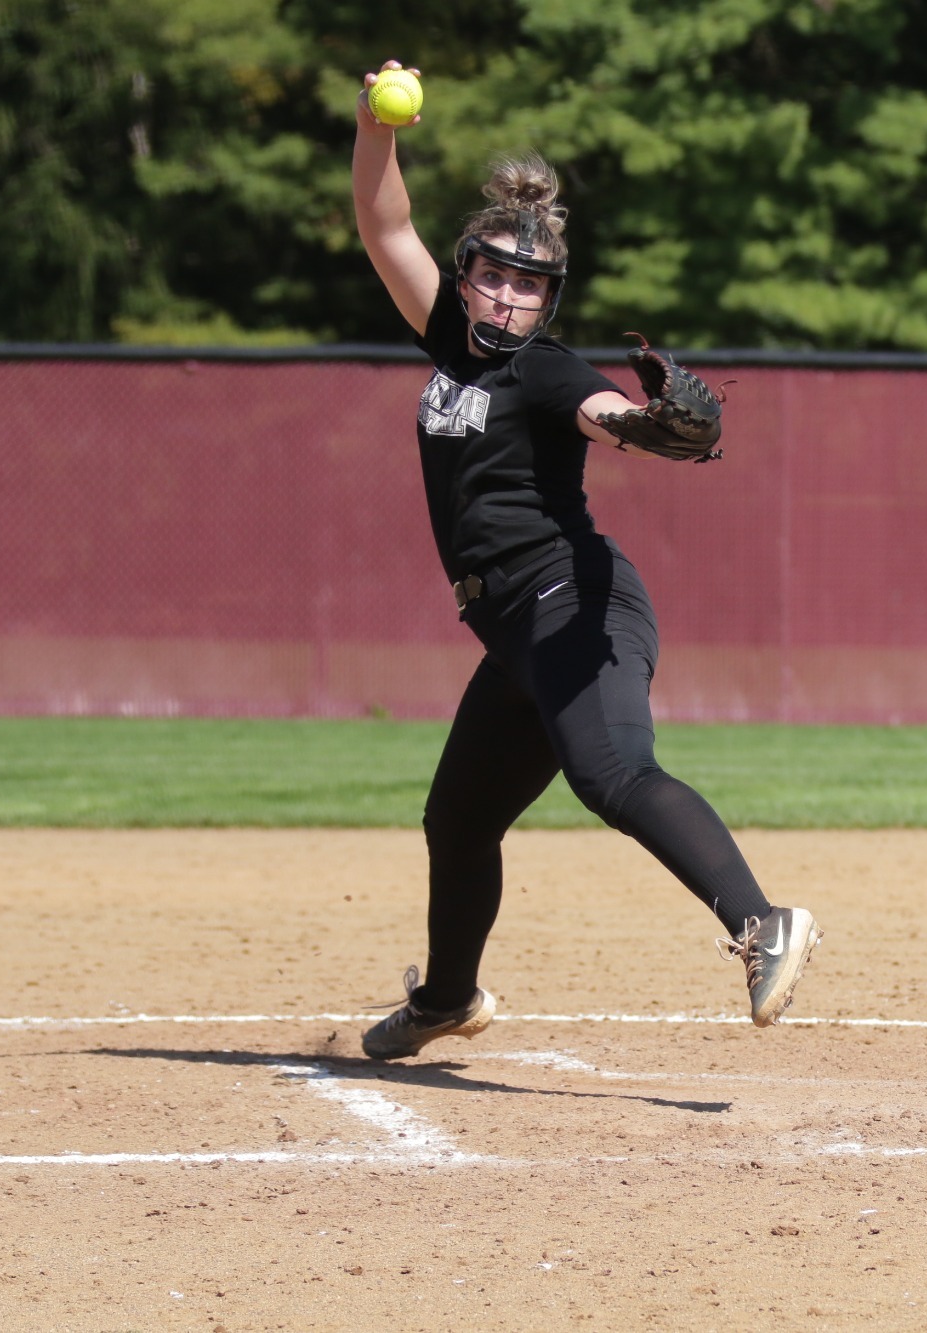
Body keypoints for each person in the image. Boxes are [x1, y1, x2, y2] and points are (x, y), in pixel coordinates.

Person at [349, 61, 822, 1060]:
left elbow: (605, 413)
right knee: (459, 819)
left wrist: (657, 427)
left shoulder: (544, 366)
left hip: (577, 605)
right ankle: (444, 997)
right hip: (521, 633)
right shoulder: (450, 338)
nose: (509, 295)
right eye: (493, 273)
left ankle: (760, 921)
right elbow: (384, 226)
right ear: (468, 270)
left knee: (609, 772)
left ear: (548, 299)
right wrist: (375, 125)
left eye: (530, 284)